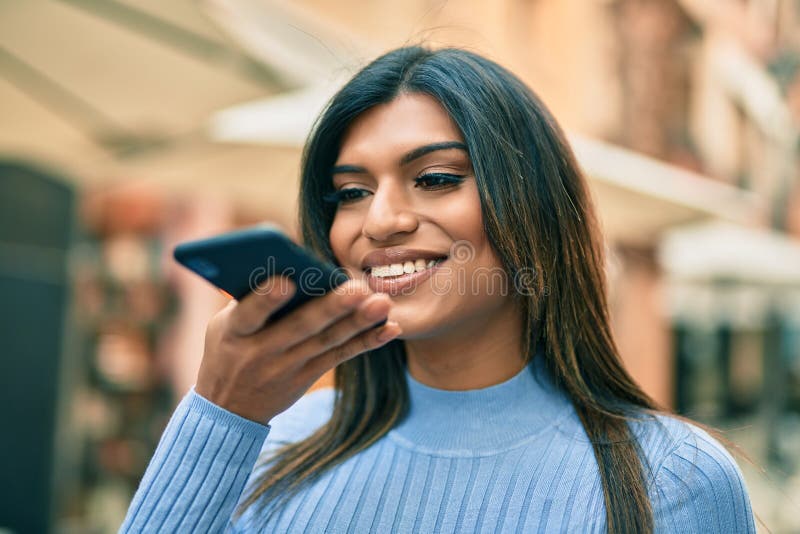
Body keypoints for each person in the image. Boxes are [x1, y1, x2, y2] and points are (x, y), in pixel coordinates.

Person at [119, 46, 757, 533]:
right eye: (351, 192)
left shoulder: (671, 479)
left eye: (435, 178)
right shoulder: (272, 449)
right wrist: (220, 414)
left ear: (530, 205)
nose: (380, 221)